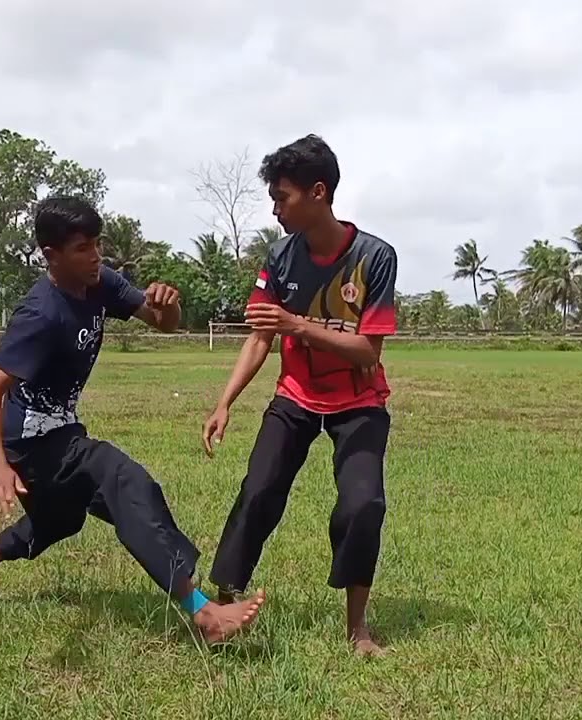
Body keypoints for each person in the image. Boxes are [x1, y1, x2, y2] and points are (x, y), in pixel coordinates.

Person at [0, 195, 265, 644]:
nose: (95, 256)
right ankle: (205, 613)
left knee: (60, 520)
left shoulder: (100, 283)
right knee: (124, 481)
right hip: (31, 444)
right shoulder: (40, 313)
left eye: (97, 244)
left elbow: (163, 323)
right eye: (82, 248)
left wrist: (167, 303)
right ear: (52, 256)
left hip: (62, 431)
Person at [202, 134, 397, 657]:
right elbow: (261, 336)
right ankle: (222, 607)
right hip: (296, 396)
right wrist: (225, 403)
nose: (275, 208)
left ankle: (357, 630)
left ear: (318, 192)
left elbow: (366, 351)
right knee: (259, 490)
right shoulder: (281, 257)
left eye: (282, 197)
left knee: (363, 504)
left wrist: (298, 323)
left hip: (358, 401)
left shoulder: (374, 258)